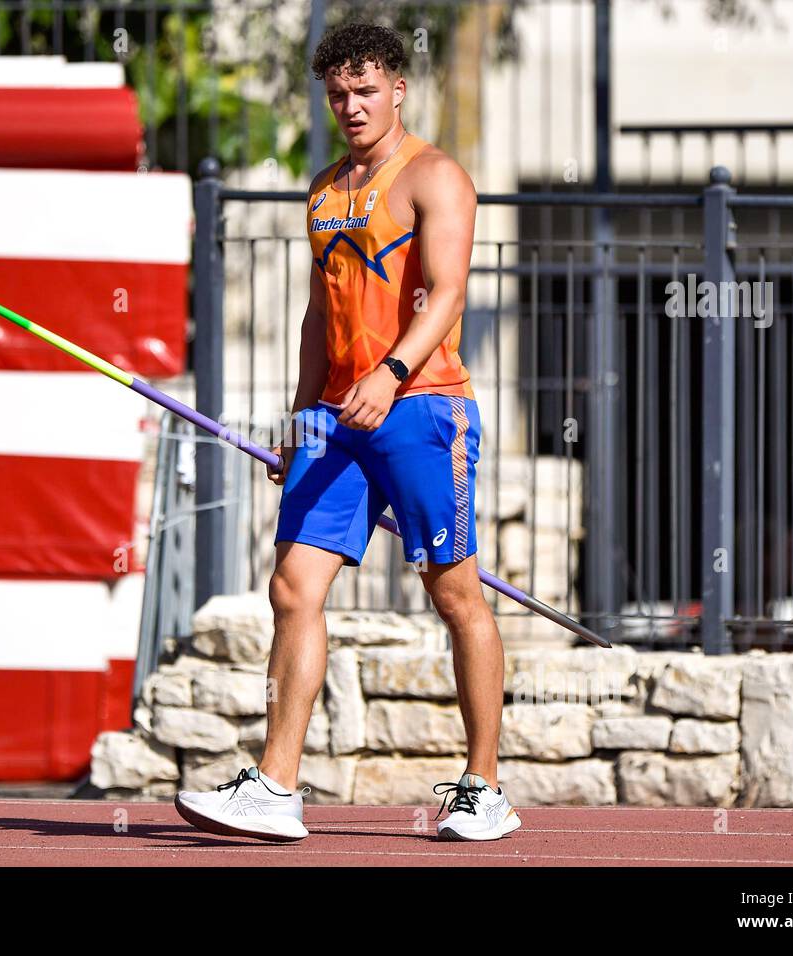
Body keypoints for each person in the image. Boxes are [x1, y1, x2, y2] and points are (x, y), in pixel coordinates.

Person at [174, 22, 519, 843]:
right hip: (335, 417)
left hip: (422, 406)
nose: (352, 105)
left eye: (366, 90)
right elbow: (314, 315)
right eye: (338, 93)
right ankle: (276, 788)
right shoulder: (326, 189)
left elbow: (444, 293)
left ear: (398, 88)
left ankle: (484, 788)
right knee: (293, 587)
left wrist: (390, 374)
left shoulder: (436, 174)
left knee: (455, 593)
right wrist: (302, 414)